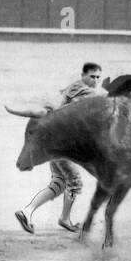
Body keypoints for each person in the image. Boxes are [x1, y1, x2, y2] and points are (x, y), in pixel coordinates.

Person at [15, 62, 102, 236]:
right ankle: (63, 218)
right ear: (83, 75)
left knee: (59, 182)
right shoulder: (88, 93)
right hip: (62, 145)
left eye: (98, 77)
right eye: (92, 76)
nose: (95, 80)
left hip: (54, 142)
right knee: (74, 182)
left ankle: (27, 211)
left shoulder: (71, 88)